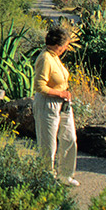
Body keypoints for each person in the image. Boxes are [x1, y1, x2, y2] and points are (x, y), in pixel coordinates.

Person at [33, 24, 79, 186]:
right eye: (65, 45)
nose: (66, 48)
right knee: (48, 143)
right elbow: (39, 86)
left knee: (69, 138)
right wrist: (60, 93)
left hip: (63, 103)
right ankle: (47, 177)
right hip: (48, 103)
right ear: (58, 45)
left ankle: (66, 175)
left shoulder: (54, 57)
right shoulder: (45, 58)